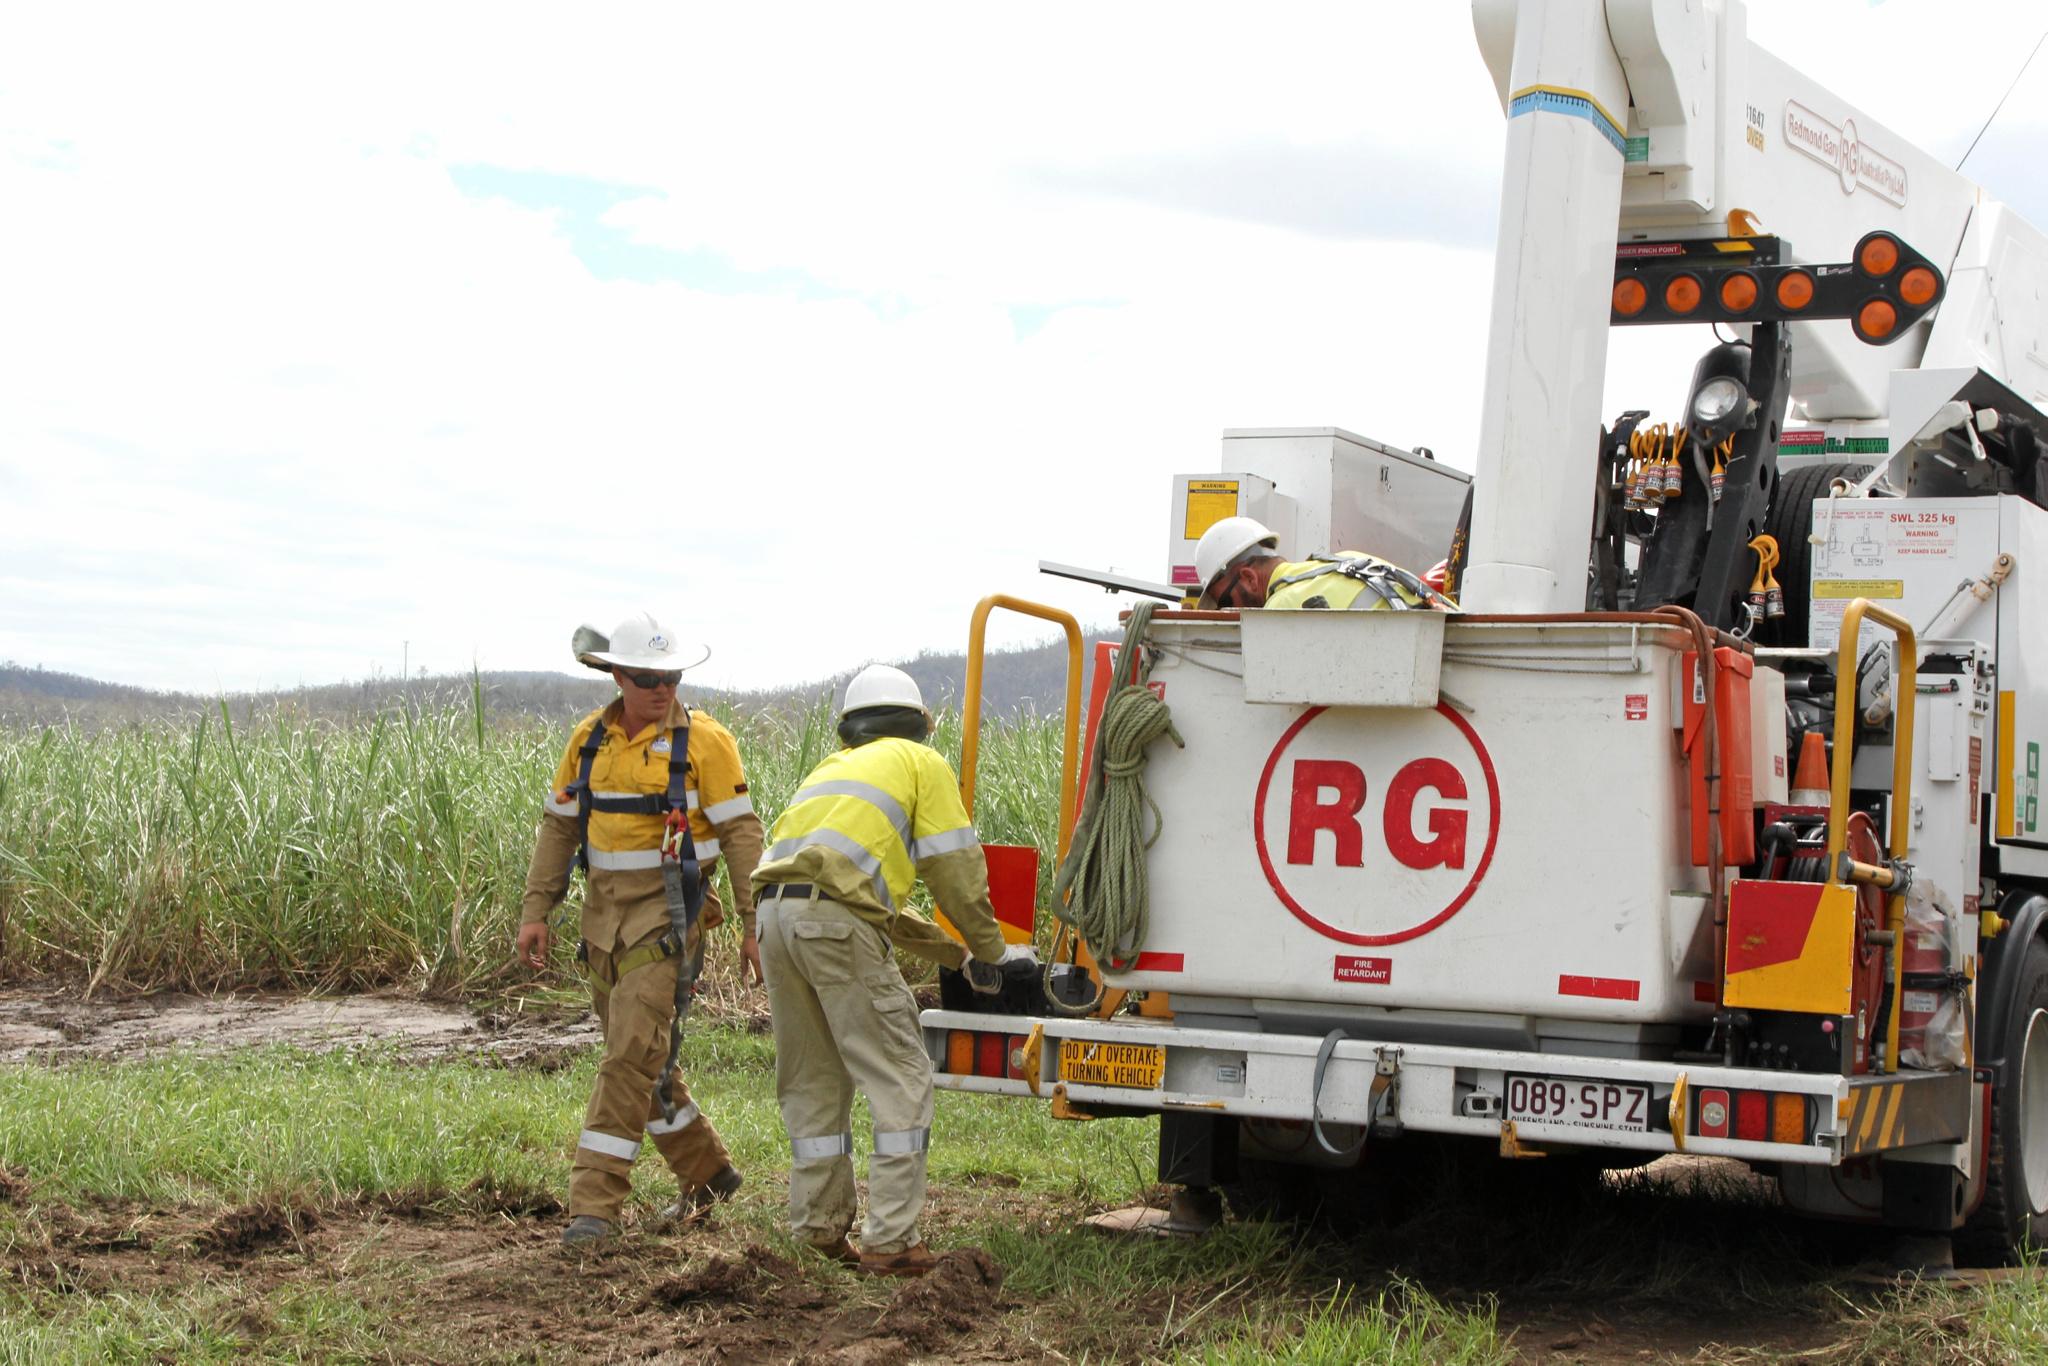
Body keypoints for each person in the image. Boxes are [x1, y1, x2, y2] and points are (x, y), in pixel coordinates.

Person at [750, 663, 1033, 1277]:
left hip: (773, 921)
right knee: (902, 1076)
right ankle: (891, 1242)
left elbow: (864, 905)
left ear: (850, 729)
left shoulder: (831, 772)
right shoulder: (919, 763)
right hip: (832, 922)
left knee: (813, 1078)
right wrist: (994, 953)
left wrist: (954, 957)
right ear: (919, 725)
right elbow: (955, 872)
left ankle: (819, 1230)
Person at [516, 611, 766, 1247]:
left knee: (627, 1058)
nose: (663, 688)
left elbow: (741, 833)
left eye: (673, 676)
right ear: (617, 676)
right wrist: (536, 911)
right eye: (649, 677)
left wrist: (752, 922)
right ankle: (708, 1172)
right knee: (648, 1067)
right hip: (602, 924)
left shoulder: (707, 742)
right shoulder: (587, 741)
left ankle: (593, 1208)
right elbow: (558, 829)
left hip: (671, 918)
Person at [1193, 516, 1454, 611]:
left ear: (1249, 578)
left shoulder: (1280, 607)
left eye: (1226, 603)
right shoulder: (1345, 559)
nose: (1228, 613)